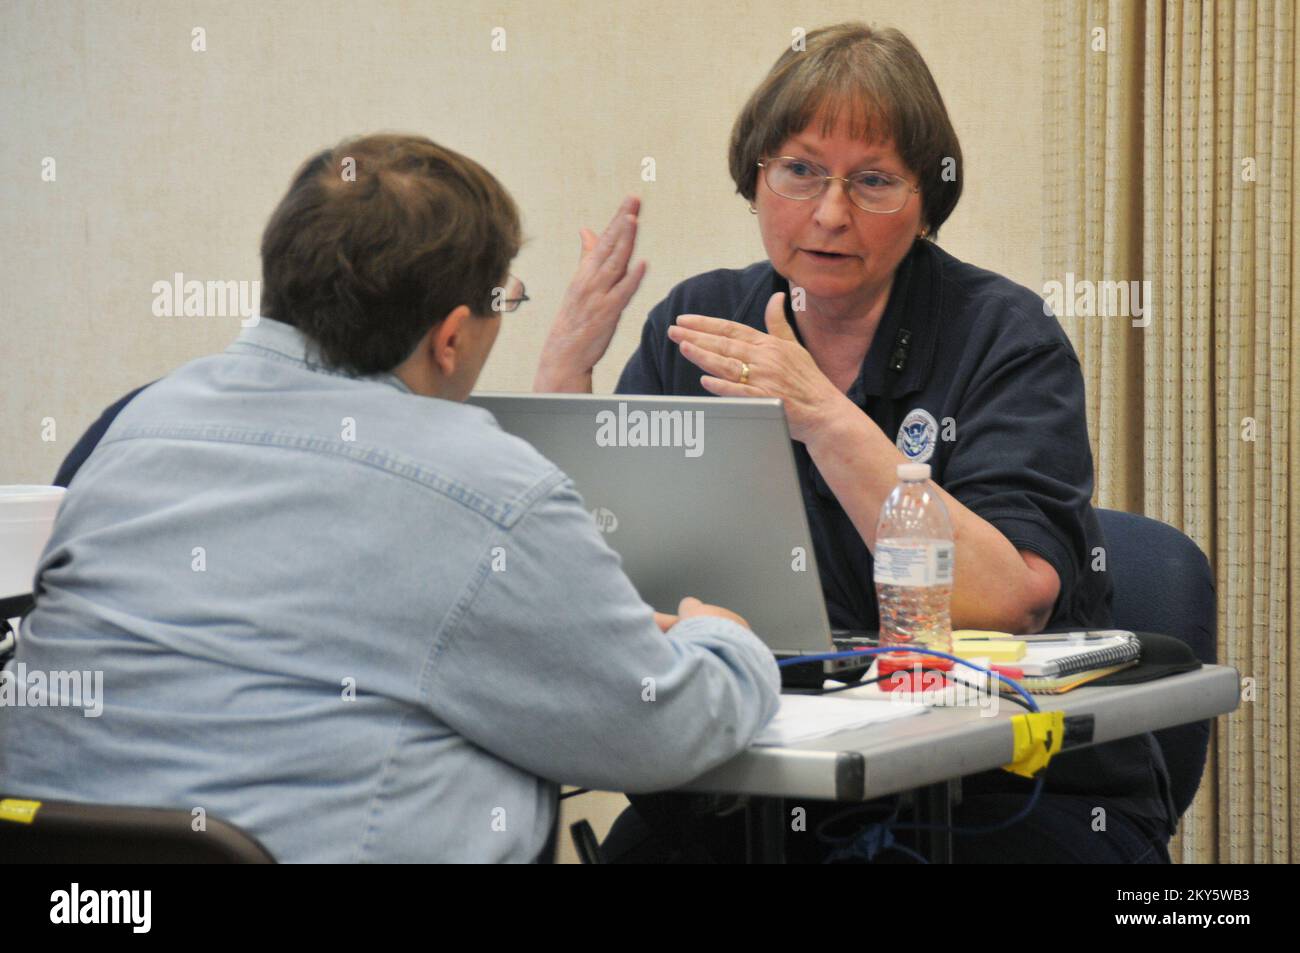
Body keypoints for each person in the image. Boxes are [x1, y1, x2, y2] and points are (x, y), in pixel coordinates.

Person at [0, 133, 780, 863]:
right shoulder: (485, 488)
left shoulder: (133, 427)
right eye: (499, 307)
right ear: (449, 337)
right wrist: (725, 643)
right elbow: (660, 725)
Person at [535, 23, 1178, 863]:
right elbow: (591, 569)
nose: (830, 214)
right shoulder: (700, 327)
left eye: (873, 181)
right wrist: (563, 374)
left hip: (1000, 791)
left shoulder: (1004, 335)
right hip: (755, 777)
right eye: (799, 171)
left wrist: (822, 413)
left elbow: (1010, 595)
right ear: (756, 178)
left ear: (925, 205)